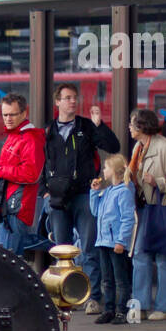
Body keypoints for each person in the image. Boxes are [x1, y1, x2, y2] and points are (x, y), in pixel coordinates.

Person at [43, 83, 120, 313]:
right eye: (67, 98)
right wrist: (43, 191)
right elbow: (43, 162)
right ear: (57, 102)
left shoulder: (85, 126)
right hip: (58, 197)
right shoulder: (49, 130)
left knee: (89, 248)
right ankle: (64, 296)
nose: (73, 102)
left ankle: (93, 297)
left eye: (75, 98)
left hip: (84, 194)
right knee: (61, 249)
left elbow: (112, 146)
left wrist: (99, 125)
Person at [128, 107, 166, 320]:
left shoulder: (164, 147)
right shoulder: (139, 147)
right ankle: (141, 305)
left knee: (164, 256)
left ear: (142, 126)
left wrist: (159, 182)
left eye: (132, 123)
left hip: (162, 209)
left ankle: (163, 306)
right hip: (145, 207)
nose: (129, 127)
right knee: (140, 256)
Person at [0, 92, 46, 257]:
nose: (8, 119)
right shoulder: (14, 135)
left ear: (24, 113)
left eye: (12, 114)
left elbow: (31, 173)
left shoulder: (30, 138)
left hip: (17, 208)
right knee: (6, 261)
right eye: (4, 115)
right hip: (8, 208)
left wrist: (0, 172)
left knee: (4, 262)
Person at [89, 153, 136, 324]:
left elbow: (127, 218)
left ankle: (121, 310)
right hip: (103, 241)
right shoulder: (107, 191)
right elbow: (95, 212)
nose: (103, 171)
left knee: (120, 278)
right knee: (107, 278)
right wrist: (94, 193)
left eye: (106, 168)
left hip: (115, 242)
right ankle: (109, 309)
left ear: (114, 171)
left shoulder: (124, 191)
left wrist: (121, 241)